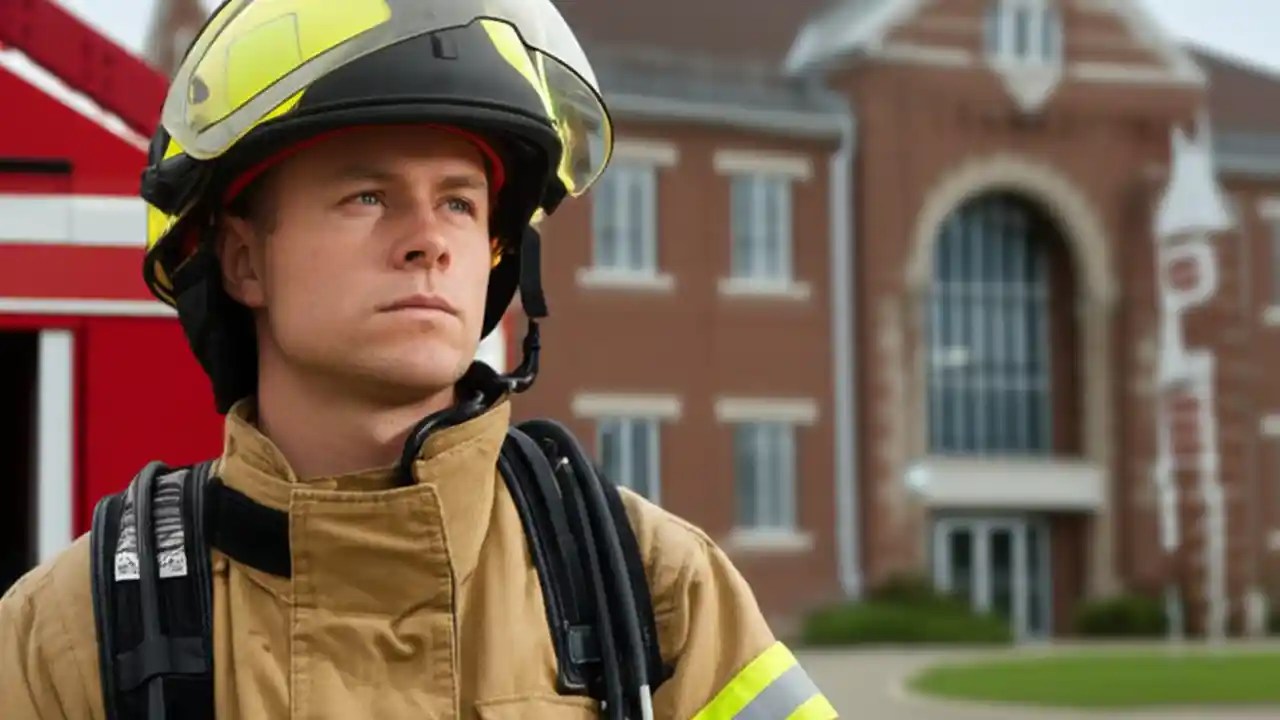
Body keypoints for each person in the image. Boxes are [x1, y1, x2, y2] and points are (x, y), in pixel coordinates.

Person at [0, 1, 838, 718]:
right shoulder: (70, 636)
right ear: (244, 262)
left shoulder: (651, 586)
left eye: (460, 203)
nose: (429, 241)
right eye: (368, 196)